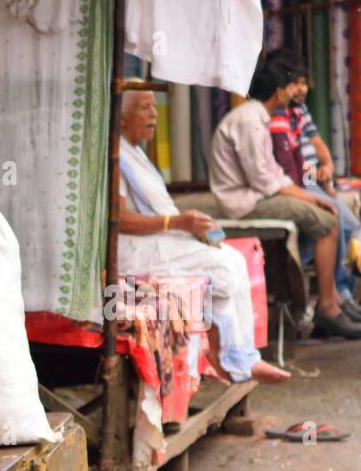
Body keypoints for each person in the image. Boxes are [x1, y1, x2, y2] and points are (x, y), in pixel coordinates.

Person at [117, 89, 289, 384]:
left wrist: (190, 227)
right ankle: (232, 359)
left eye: (153, 107)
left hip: (155, 240)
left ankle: (239, 358)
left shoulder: (135, 152)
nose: (154, 114)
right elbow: (118, 219)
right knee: (224, 266)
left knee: (232, 259)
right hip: (131, 250)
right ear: (121, 117)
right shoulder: (115, 154)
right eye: (145, 108)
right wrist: (177, 222)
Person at [208, 57, 360, 339]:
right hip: (247, 200)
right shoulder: (253, 120)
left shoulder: (267, 116)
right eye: (293, 85)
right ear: (279, 90)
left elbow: (282, 169)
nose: (297, 91)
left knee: (331, 213)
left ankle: (336, 299)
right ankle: (327, 306)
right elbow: (269, 178)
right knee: (327, 220)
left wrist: (313, 189)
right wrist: (310, 195)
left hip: (263, 191)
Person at [263, 49, 360, 313]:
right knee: (339, 220)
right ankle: (336, 295)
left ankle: (341, 294)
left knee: (348, 223)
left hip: (307, 179)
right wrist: (315, 188)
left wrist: (326, 168)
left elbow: (315, 146)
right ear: (281, 86)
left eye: (304, 83)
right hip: (299, 183)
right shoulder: (275, 116)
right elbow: (286, 169)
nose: (302, 89)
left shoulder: (298, 112)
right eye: (297, 83)